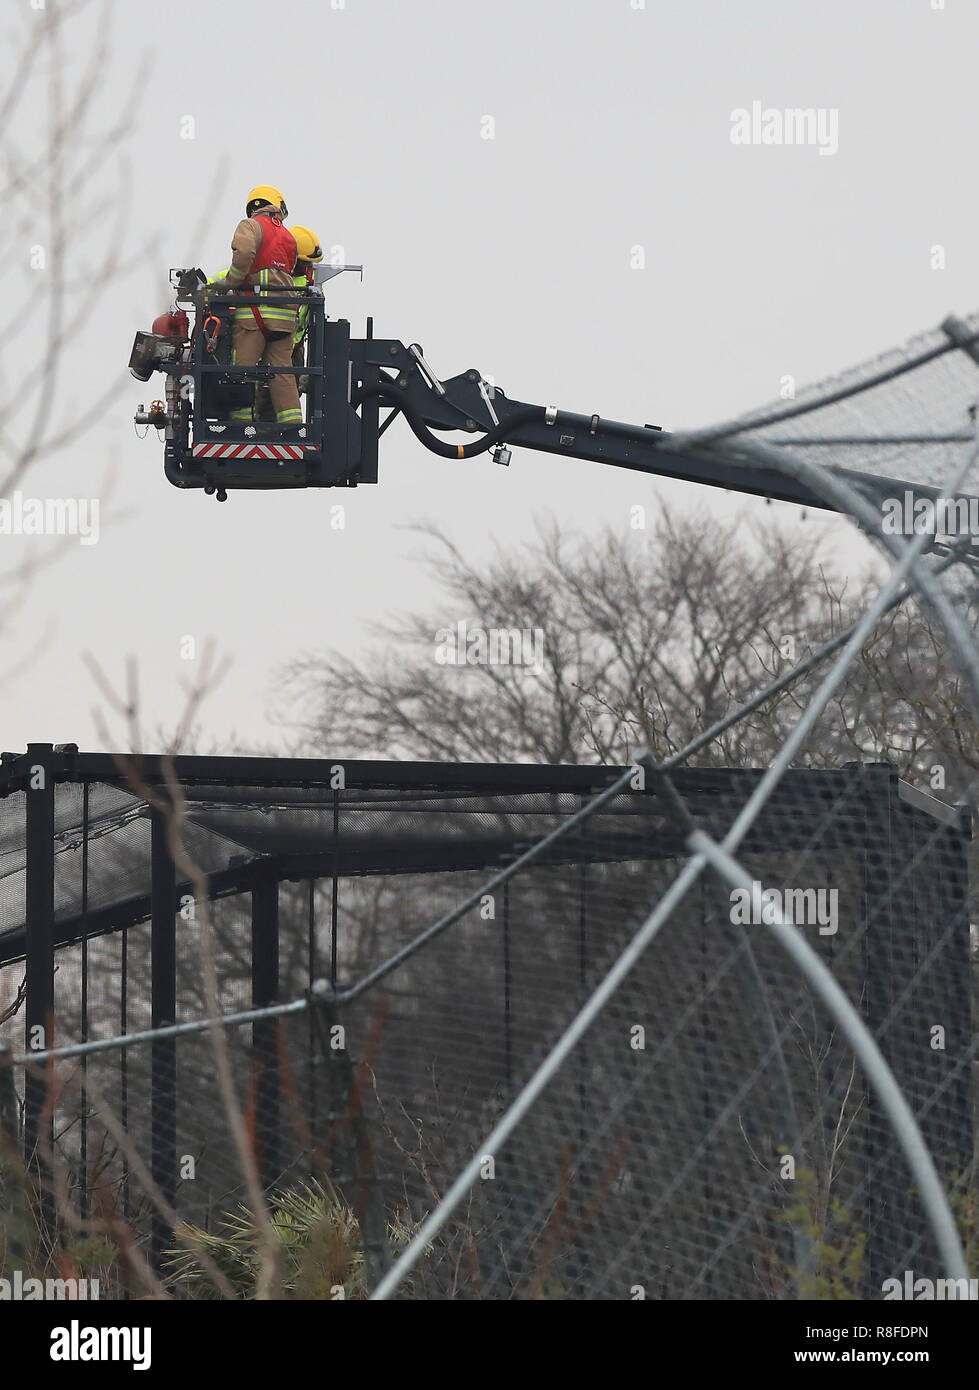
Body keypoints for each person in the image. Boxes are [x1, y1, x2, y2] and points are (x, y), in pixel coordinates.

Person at [207, 185, 303, 434]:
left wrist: (232, 281)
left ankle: (241, 427)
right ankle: (293, 428)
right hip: (285, 316)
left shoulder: (250, 226)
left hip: (254, 313)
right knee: (283, 373)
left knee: (242, 370)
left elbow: (244, 253)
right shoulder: (289, 236)